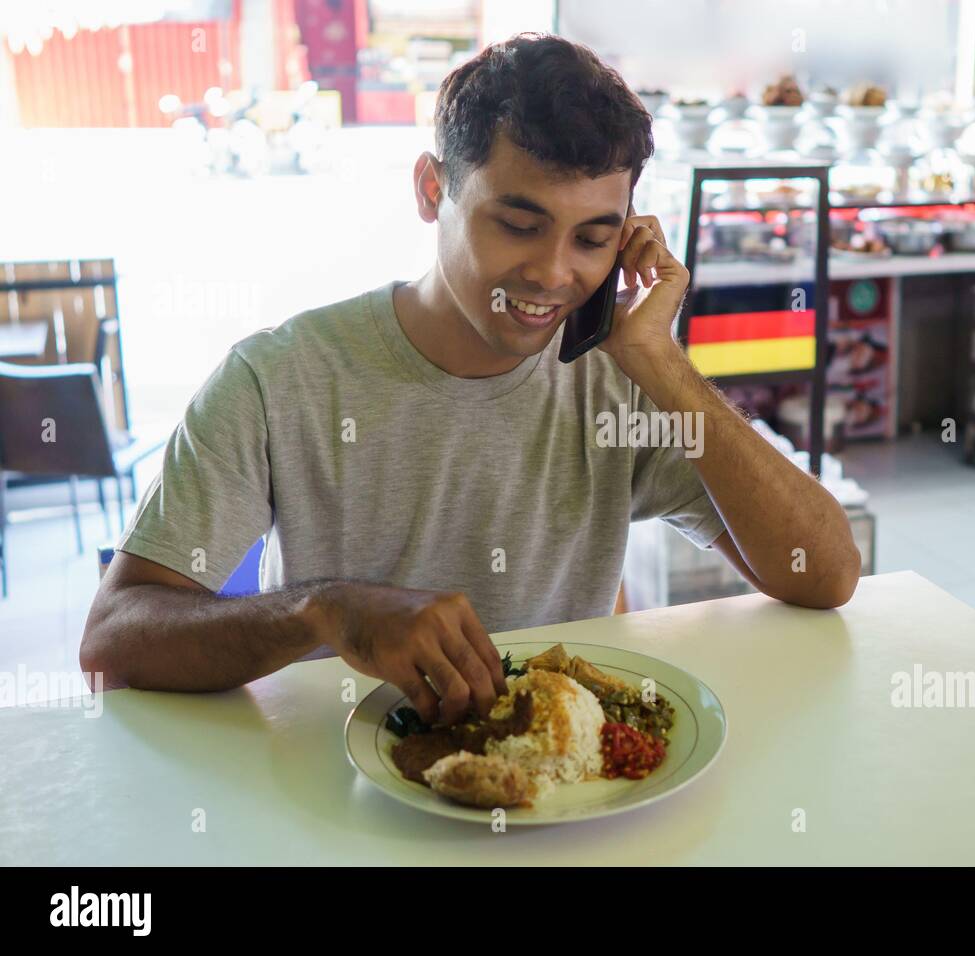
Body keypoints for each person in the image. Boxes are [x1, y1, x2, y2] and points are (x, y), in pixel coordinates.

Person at [81, 33, 861, 725]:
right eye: (518, 224)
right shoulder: (280, 377)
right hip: (343, 797)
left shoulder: (618, 377)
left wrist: (664, 365)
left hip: (565, 792)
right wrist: (325, 612)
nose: (554, 274)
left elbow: (824, 574)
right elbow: (116, 639)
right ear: (432, 189)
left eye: (592, 237)